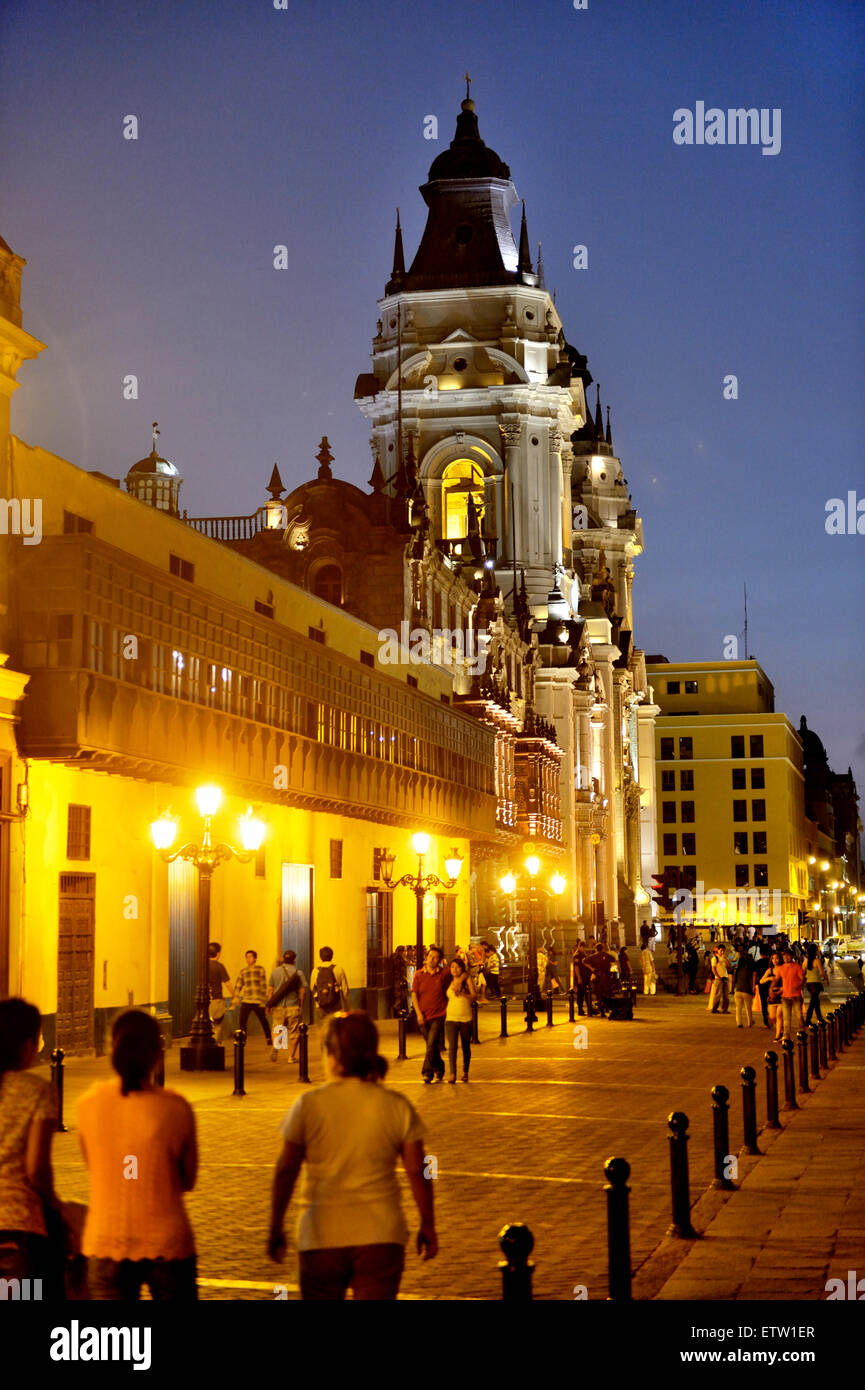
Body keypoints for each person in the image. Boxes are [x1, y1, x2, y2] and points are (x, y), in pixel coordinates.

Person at [268, 1012, 437, 1300]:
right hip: (381, 1236)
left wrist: (275, 1225)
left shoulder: (309, 1105)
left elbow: (287, 1168)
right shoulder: (396, 1106)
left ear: (332, 1055)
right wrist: (428, 1222)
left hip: (322, 1236)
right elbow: (418, 1169)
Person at [78, 1010, 198, 1300]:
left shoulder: (88, 1106)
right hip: (167, 1239)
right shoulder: (175, 1108)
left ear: (111, 1049)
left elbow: (93, 1164)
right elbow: (187, 1179)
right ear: (157, 1053)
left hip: (106, 1238)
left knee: (113, 1345)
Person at [0, 998, 62, 1293]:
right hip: (18, 1228)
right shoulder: (37, 1091)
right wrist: (55, 1205)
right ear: (26, 1044)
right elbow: (37, 1169)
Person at [412, 946, 450, 1083]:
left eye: (435, 957)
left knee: (431, 1043)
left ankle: (427, 1072)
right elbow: (414, 994)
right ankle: (440, 1067)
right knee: (431, 1045)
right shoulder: (418, 975)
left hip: (438, 1014)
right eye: (430, 956)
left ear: (440, 960)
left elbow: (450, 990)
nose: (431, 959)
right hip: (423, 1014)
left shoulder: (444, 974)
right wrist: (418, 1014)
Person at [268, 949, 307, 1063]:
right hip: (293, 1006)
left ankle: (276, 1045)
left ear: (284, 959)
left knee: (277, 1028)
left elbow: (270, 990)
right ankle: (291, 1057)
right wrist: (301, 1004)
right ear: (294, 960)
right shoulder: (298, 973)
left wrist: (270, 1005)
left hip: (278, 1007)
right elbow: (303, 991)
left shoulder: (275, 972)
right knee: (294, 1032)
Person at [232, 949, 273, 1046]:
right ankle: (242, 1039)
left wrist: (264, 1001)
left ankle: (268, 1037)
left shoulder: (260, 969)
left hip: (257, 1000)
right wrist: (236, 996)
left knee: (263, 1020)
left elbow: (263, 986)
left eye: (250, 957)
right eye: (247, 957)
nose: (248, 959)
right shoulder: (243, 971)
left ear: (255, 958)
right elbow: (238, 985)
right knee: (242, 1021)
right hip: (246, 1000)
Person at [445, 957, 475, 1082]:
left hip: (465, 1018)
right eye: (452, 967)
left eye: (457, 967)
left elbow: (474, 996)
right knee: (452, 1047)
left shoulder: (467, 979)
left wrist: (463, 993)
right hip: (451, 1017)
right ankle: (452, 1073)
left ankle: (465, 1071)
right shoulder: (448, 980)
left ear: (462, 968)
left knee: (465, 1046)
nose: (454, 969)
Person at [310, 947, 350, 1024]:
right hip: (336, 1004)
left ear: (320, 957)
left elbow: (312, 988)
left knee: (323, 1028)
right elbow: (345, 990)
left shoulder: (315, 971)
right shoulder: (339, 969)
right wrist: (346, 1007)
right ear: (332, 956)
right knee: (335, 1027)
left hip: (321, 1005)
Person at [777, 949, 806, 1041]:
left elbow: (803, 979)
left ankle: (802, 1032)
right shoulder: (781, 968)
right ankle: (786, 1036)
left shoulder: (797, 967)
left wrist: (799, 985)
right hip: (785, 996)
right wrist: (771, 988)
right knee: (786, 1018)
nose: (786, 957)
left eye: (788, 955)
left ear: (792, 956)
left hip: (796, 996)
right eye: (784, 956)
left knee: (799, 1015)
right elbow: (776, 979)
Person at [208, 942, 231, 1043]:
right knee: (217, 1025)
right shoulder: (219, 966)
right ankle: (214, 1045)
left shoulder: (203, 966)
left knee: (208, 1024)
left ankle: (209, 1043)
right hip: (217, 999)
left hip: (206, 999)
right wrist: (234, 996)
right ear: (217, 953)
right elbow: (228, 983)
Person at [759, 951, 785, 1041]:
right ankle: (781, 1029)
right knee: (772, 1016)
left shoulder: (783, 969)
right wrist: (769, 978)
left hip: (782, 994)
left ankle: (777, 1035)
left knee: (779, 1015)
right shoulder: (769, 970)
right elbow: (761, 981)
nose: (775, 960)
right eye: (773, 958)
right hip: (772, 995)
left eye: (777, 958)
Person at [731, 947, 756, 1028]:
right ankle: (749, 1022)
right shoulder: (749, 970)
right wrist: (753, 990)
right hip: (747, 991)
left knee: (738, 1008)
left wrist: (732, 989)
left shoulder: (738, 970)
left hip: (738, 991)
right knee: (748, 1008)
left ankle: (739, 1023)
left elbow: (734, 980)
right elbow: (751, 981)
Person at [803, 945, 826, 1026]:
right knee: (813, 1002)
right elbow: (822, 972)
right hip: (816, 984)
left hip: (809, 984)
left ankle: (820, 1018)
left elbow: (803, 973)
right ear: (815, 951)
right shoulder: (817, 961)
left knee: (816, 1001)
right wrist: (826, 979)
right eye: (817, 950)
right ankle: (808, 1020)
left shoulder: (805, 961)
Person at [708, 947, 730, 1014]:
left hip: (725, 977)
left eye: (724, 951)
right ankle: (714, 1009)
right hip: (718, 978)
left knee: (726, 995)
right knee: (718, 994)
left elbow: (729, 966)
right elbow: (713, 969)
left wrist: (726, 959)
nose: (722, 952)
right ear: (718, 950)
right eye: (721, 950)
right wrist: (717, 976)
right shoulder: (715, 959)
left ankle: (725, 1009)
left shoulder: (724, 958)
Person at [392, 946, 409, 1018]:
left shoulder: (400, 959)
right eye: (404, 951)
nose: (406, 953)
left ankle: (399, 1011)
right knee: (398, 997)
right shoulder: (398, 959)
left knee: (401, 996)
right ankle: (397, 1013)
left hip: (400, 980)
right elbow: (400, 971)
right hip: (398, 980)